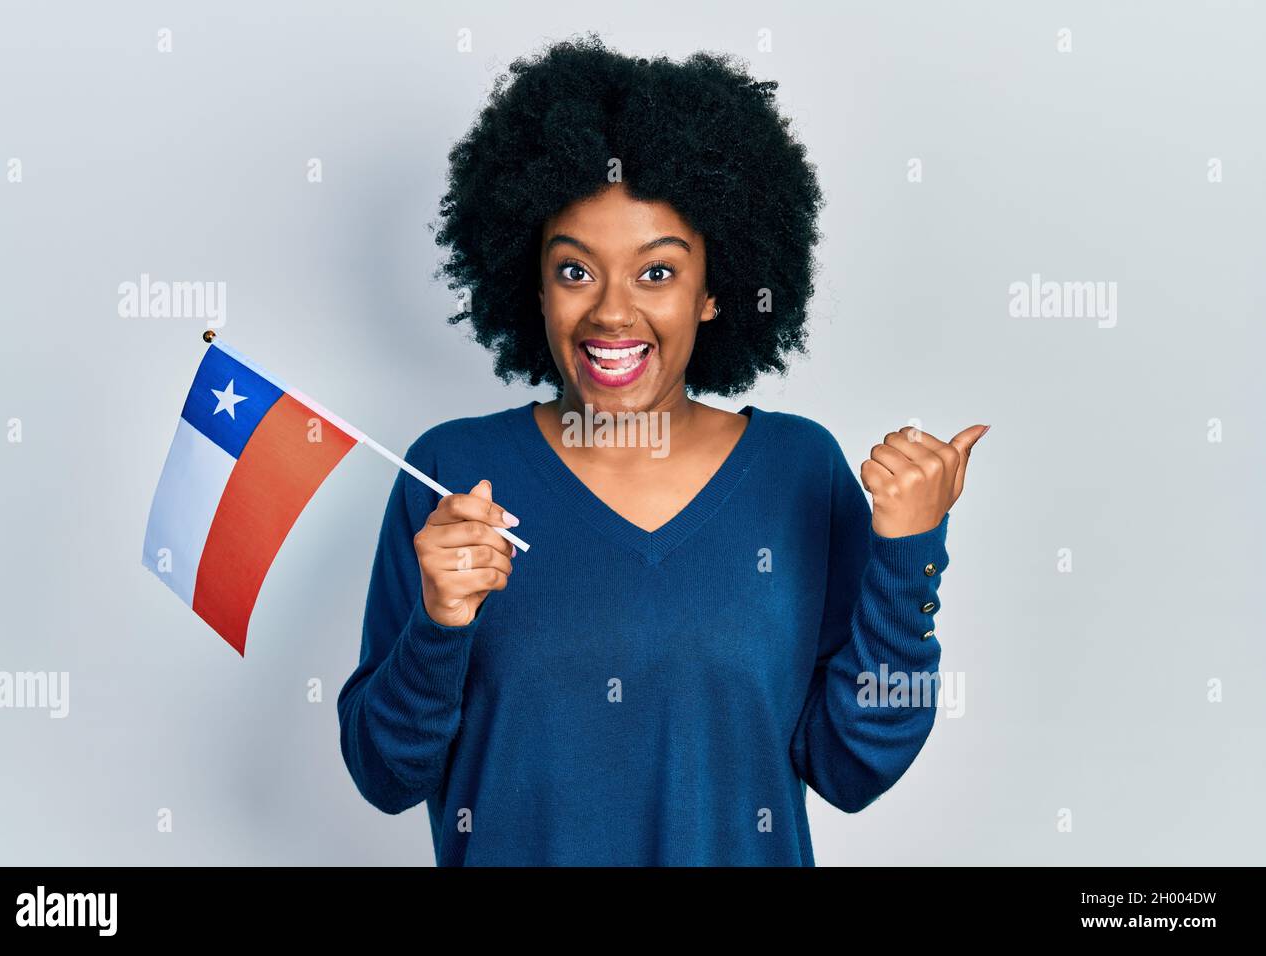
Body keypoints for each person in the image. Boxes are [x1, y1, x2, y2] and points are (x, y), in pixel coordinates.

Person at [337, 34, 988, 866]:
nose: (612, 312)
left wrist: (908, 553)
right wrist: (437, 625)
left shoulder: (798, 471)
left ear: (715, 292)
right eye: (575, 272)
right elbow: (385, 773)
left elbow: (855, 764)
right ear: (530, 285)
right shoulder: (450, 476)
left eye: (656, 274)